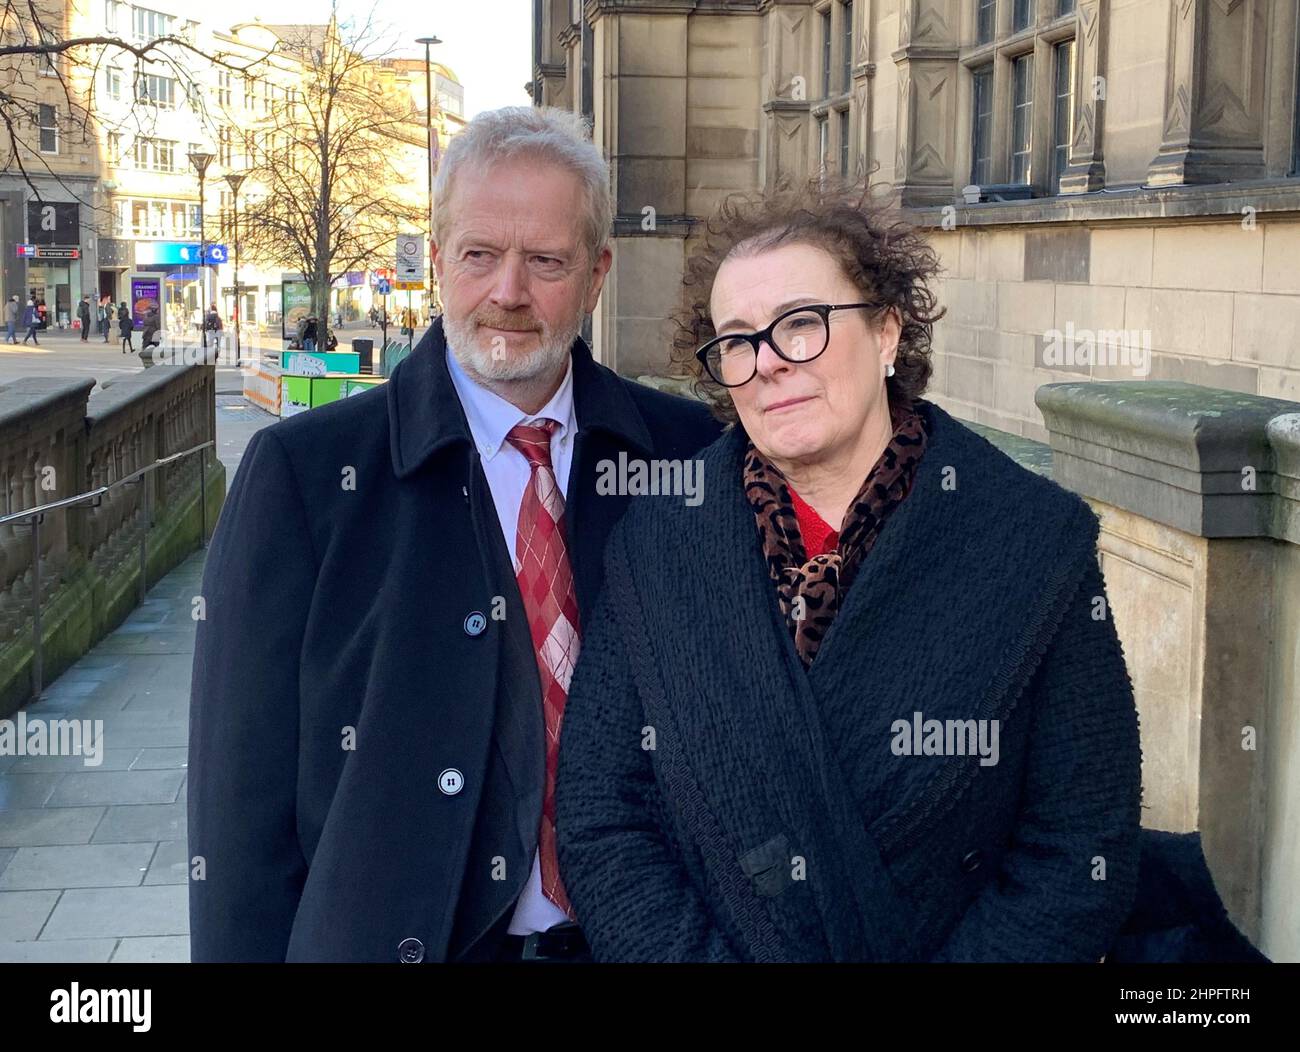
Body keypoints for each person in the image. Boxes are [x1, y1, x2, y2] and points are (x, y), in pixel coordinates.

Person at [554, 179, 1265, 965]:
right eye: (737, 341)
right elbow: (603, 817)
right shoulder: (656, 544)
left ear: (889, 331)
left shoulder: (1029, 539)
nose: (766, 364)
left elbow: (1078, 844)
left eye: (802, 326)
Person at [188, 105, 720, 963]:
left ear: (596, 273)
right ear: (437, 260)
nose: (508, 293)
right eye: (479, 255)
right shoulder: (305, 475)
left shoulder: (689, 456)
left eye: (545, 261)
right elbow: (237, 810)